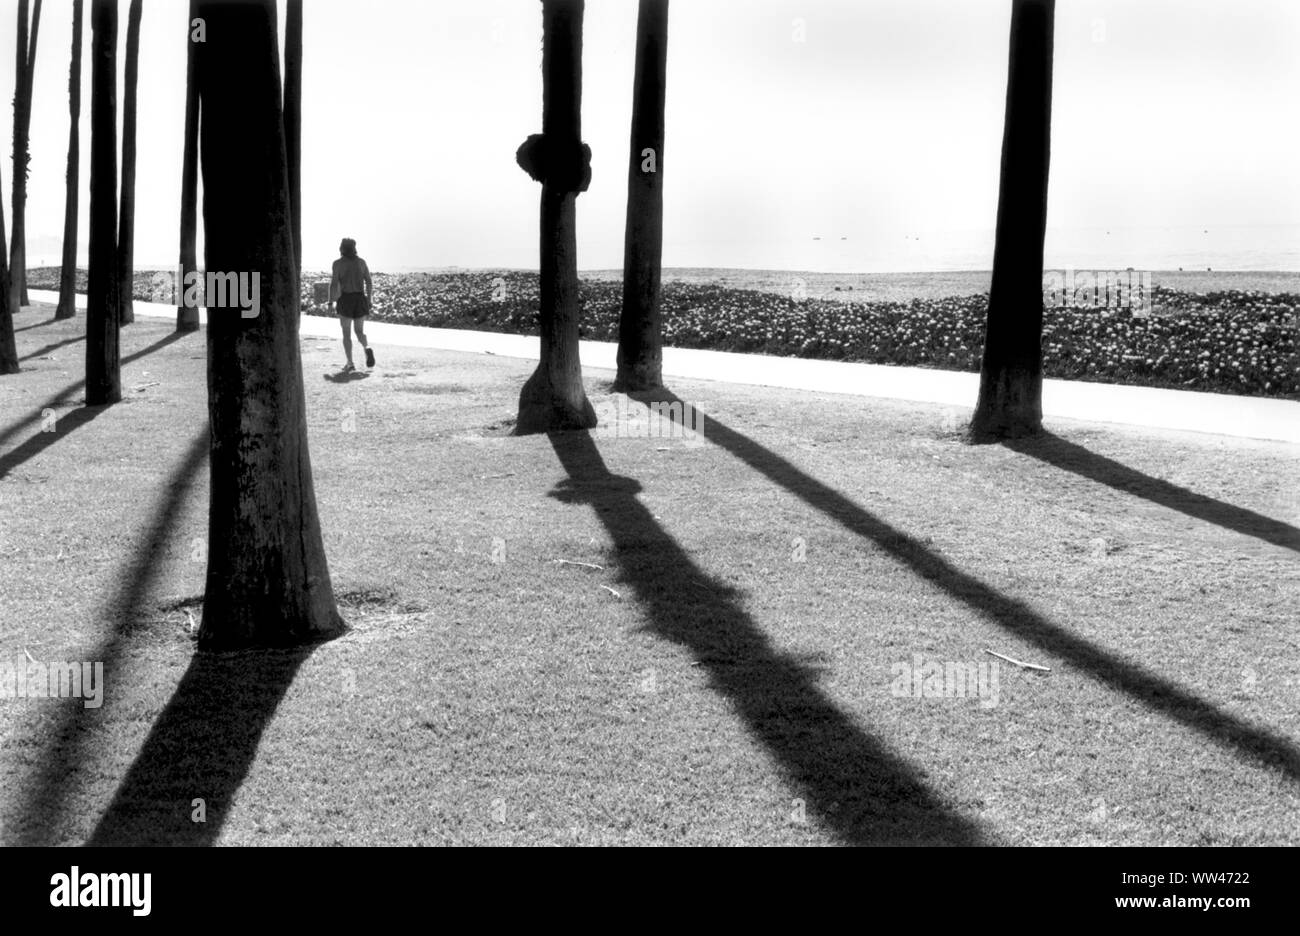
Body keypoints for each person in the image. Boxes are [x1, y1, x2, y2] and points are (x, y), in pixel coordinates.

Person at [330, 237, 375, 371]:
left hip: (346, 299)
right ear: (354, 248)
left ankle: (350, 363)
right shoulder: (361, 262)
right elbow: (369, 282)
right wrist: (369, 299)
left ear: (342, 248)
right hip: (360, 299)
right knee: (359, 331)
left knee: (346, 334)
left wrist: (330, 302)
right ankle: (367, 348)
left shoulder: (338, 264)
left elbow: (333, 284)